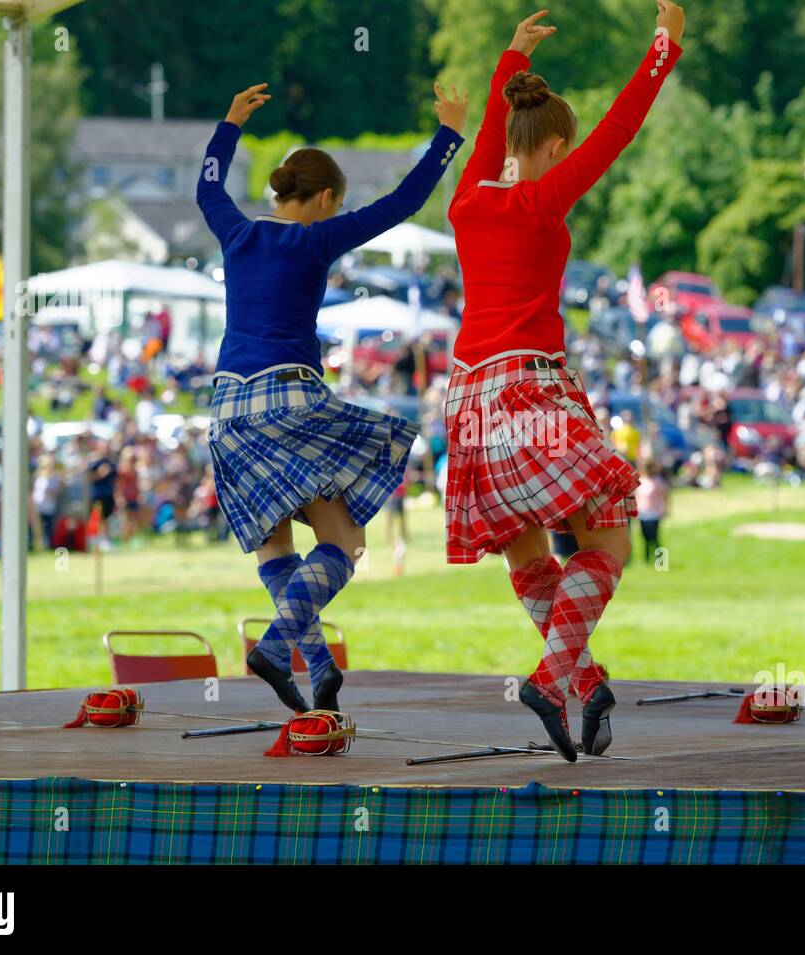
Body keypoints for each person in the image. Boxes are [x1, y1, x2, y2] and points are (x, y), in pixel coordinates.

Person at [445, 3, 686, 760]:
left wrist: (508, 65)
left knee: (526, 556)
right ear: (552, 145)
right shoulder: (543, 198)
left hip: (467, 401)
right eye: (564, 147)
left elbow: (491, 141)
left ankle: (584, 681)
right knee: (609, 536)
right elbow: (620, 128)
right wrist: (661, 51)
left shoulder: (466, 203)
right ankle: (551, 680)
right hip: (527, 388)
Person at [197, 77, 467, 713]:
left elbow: (207, 187)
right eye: (333, 204)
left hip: (227, 409)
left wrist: (230, 123)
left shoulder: (237, 234)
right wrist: (449, 136)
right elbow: (401, 201)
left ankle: (319, 670)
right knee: (346, 544)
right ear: (322, 200)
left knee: (276, 547)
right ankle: (272, 646)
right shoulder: (316, 238)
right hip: (288, 401)